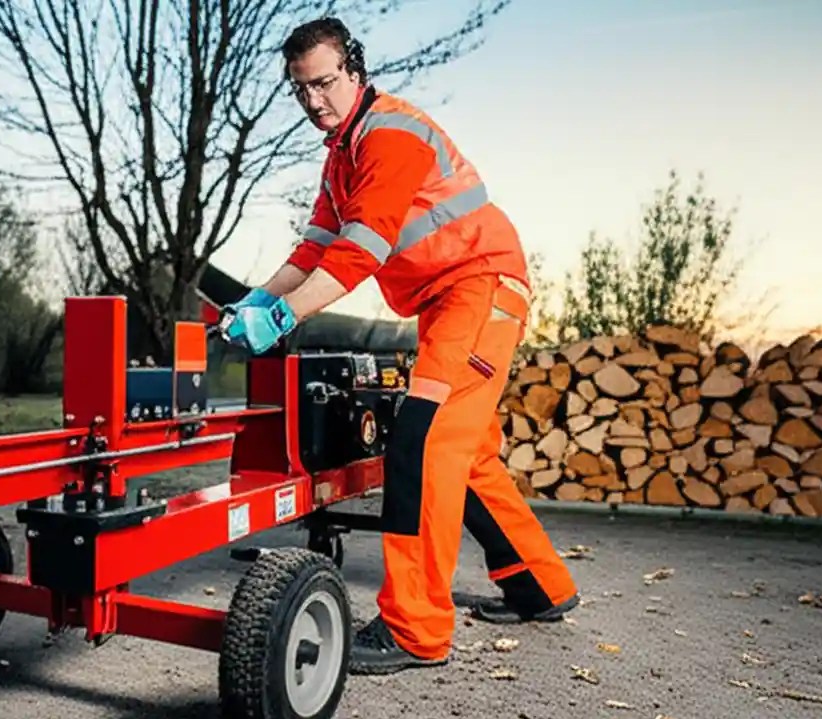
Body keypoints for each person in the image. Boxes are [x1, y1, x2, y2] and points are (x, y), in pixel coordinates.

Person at [221, 17, 580, 676]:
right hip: (453, 298)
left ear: (354, 71)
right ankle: (542, 586)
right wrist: (256, 299)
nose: (314, 101)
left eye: (325, 83)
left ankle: (416, 629)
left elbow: (362, 250)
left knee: (424, 441)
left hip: (479, 287)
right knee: (465, 453)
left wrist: (284, 318)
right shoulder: (342, 154)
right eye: (301, 90)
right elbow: (316, 249)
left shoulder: (390, 134)